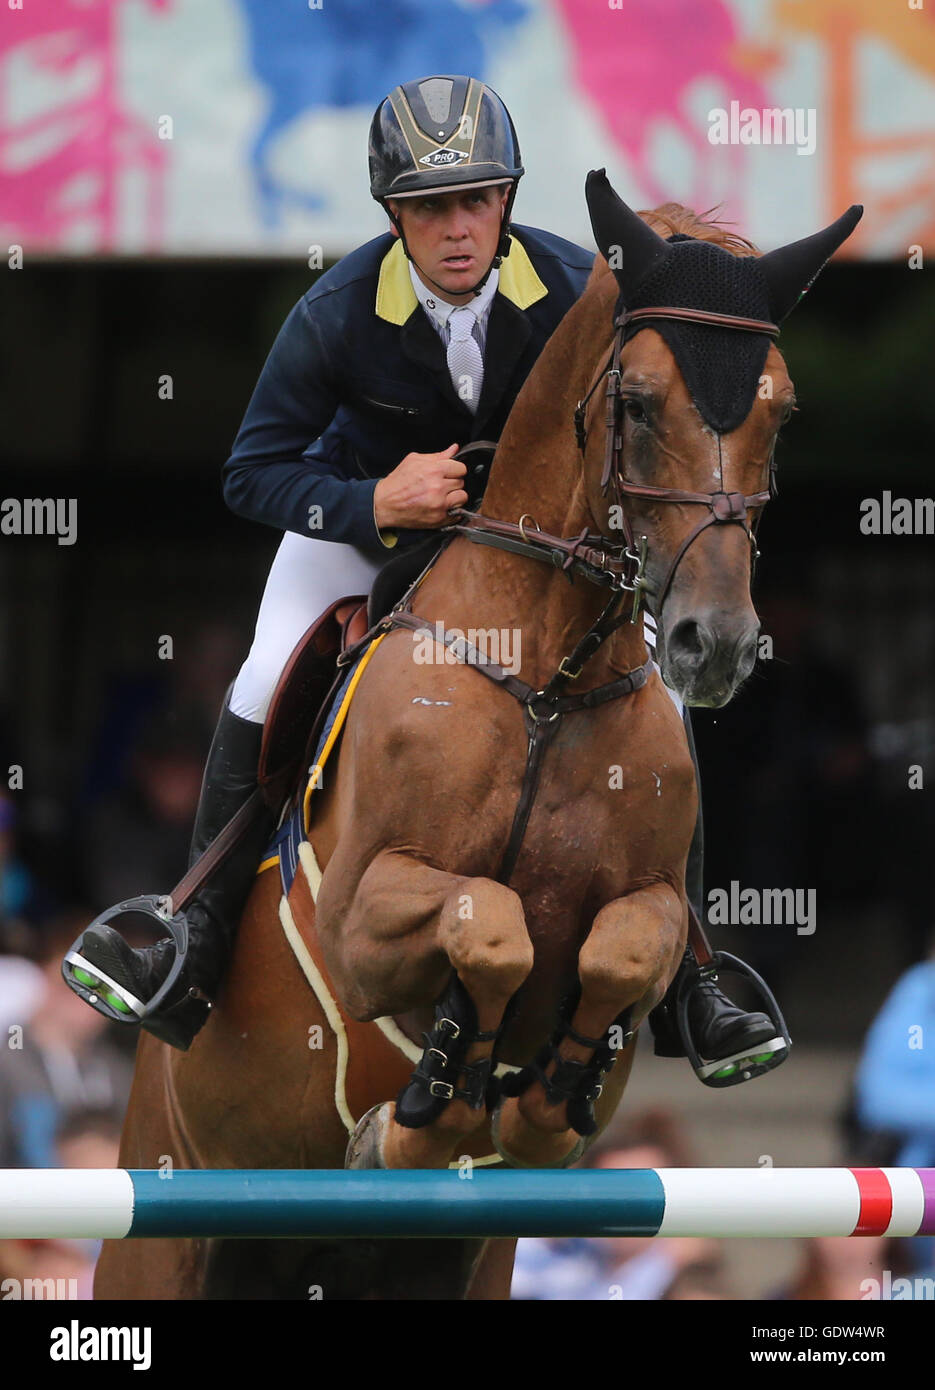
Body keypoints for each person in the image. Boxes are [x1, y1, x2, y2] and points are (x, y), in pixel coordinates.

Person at [66, 75, 781, 1083]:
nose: (457, 229)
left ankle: (696, 977)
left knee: (660, 688)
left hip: (533, 559)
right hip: (369, 533)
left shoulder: (577, 292)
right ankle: (192, 930)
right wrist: (368, 502)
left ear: (506, 199)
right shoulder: (336, 310)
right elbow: (250, 474)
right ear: (393, 214)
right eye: (431, 208)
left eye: (477, 200)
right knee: (267, 672)